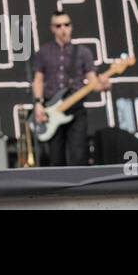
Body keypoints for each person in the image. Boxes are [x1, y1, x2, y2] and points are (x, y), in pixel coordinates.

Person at [30, 11, 110, 166]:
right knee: (56, 157)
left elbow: (94, 83)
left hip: (76, 109)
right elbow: (38, 80)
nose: (63, 29)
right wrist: (38, 103)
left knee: (79, 154)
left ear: (71, 27)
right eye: (58, 25)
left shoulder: (82, 52)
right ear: (52, 28)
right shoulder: (44, 52)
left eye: (66, 25)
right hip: (51, 109)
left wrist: (105, 84)